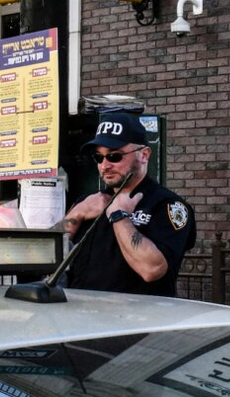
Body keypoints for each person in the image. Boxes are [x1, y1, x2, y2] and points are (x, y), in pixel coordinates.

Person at [62, 112, 196, 297]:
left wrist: (119, 215)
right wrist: (76, 214)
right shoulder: (87, 202)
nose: (104, 165)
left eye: (115, 156)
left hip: (136, 321)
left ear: (144, 155)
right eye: (98, 158)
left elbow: (152, 269)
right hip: (83, 317)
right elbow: (44, 254)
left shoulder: (167, 205)